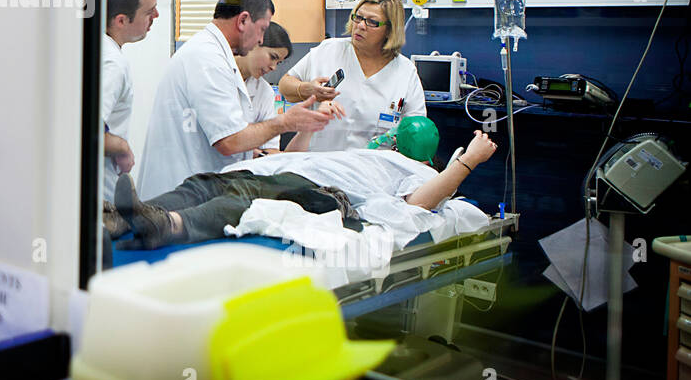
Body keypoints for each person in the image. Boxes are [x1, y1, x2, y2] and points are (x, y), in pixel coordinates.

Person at [116, 127, 498, 249]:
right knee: (205, 184)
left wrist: (467, 162)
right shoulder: (368, 154)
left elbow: (418, 204)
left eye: (397, 138)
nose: (389, 139)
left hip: (322, 190)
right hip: (288, 168)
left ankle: (169, 225)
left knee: (247, 200)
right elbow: (298, 155)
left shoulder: (416, 170)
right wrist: (307, 129)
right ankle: (122, 216)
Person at [136, 0, 334, 199]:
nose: (261, 39)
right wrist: (285, 122)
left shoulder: (219, 58)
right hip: (177, 191)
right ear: (243, 20)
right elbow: (229, 141)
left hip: (203, 191)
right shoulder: (206, 57)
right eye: (262, 29)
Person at [278, 0, 425, 152]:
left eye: (372, 22)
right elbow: (285, 85)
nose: (360, 26)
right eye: (358, 17)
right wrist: (307, 90)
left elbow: (417, 131)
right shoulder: (329, 50)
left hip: (374, 165)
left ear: (390, 30)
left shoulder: (405, 71)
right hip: (321, 161)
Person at [101, 0, 158, 202]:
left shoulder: (95, 48)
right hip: (99, 195)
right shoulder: (112, 63)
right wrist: (122, 147)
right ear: (121, 20)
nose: (156, 16)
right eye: (149, 11)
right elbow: (82, 130)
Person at [235, 21, 291, 150]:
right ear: (254, 43)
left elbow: (270, 148)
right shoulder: (216, 75)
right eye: (272, 57)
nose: (273, 67)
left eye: (278, 63)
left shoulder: (264, 91)